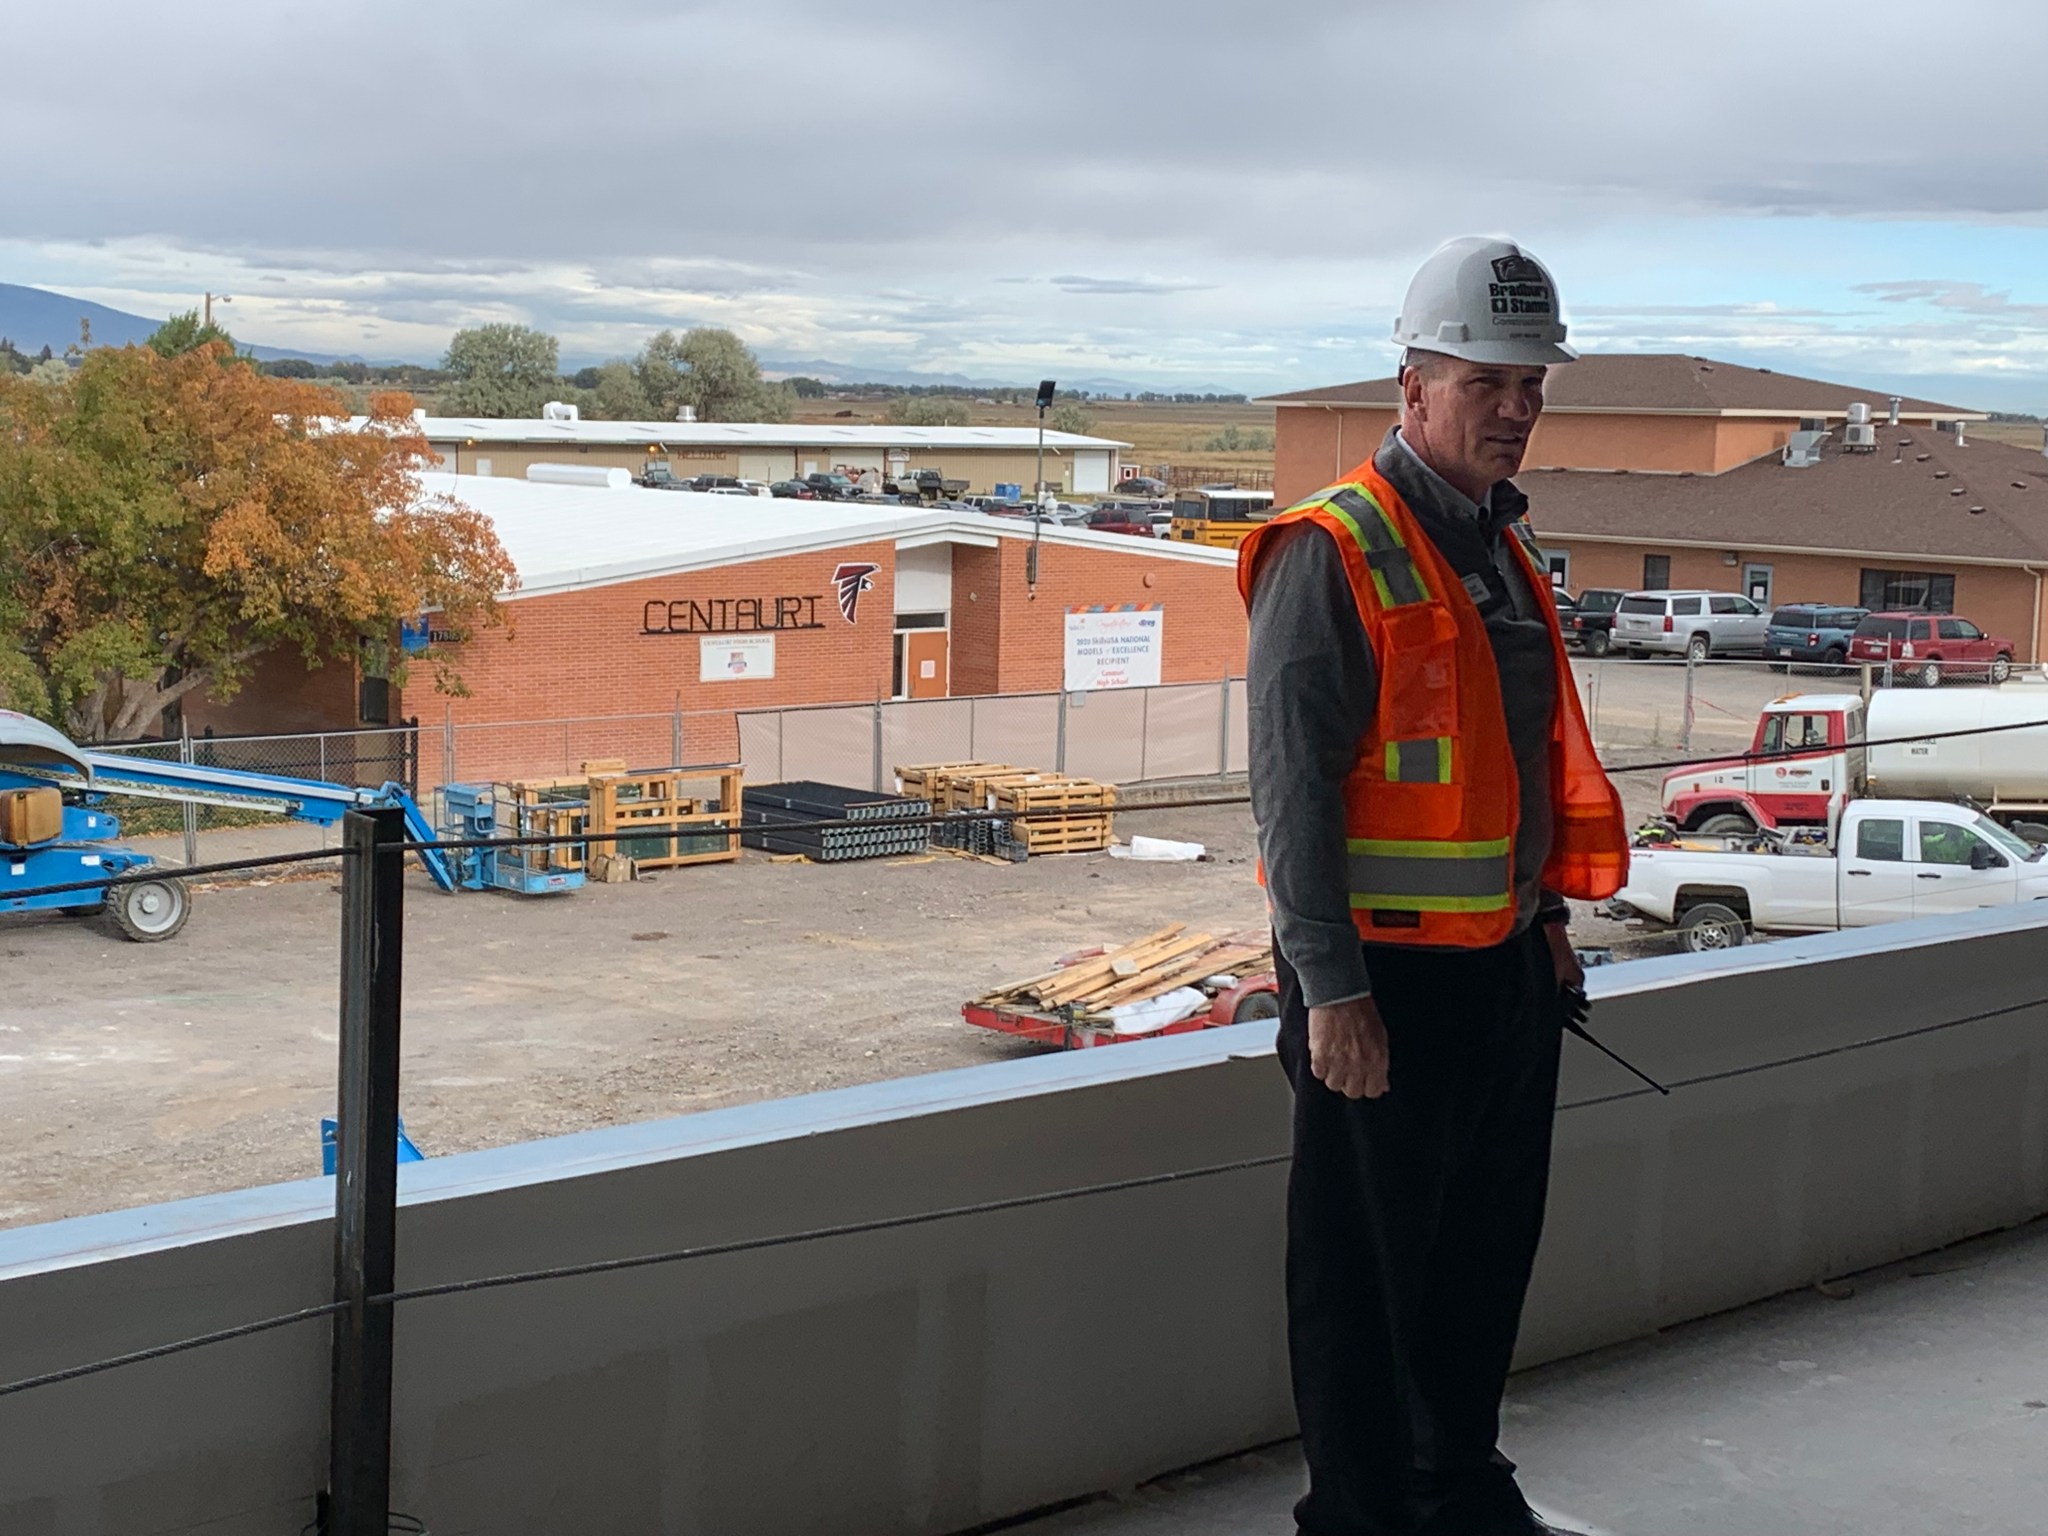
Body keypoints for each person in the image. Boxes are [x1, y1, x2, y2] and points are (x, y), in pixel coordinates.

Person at [1240, 237, 1629, 1536]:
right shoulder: (1334, 547)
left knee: (1480, 1261)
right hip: (1382, 986)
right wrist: (1331, 992)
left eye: (1532, 384)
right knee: (1363, 1283)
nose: (1516, 408)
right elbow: (1293, 791)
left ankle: (1457, 1485)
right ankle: (1359, 1517)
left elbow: (1508, 766)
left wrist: (1547, 921)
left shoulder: (1500, 546)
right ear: (1412, 385)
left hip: (1503, 971)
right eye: (1486, 382)